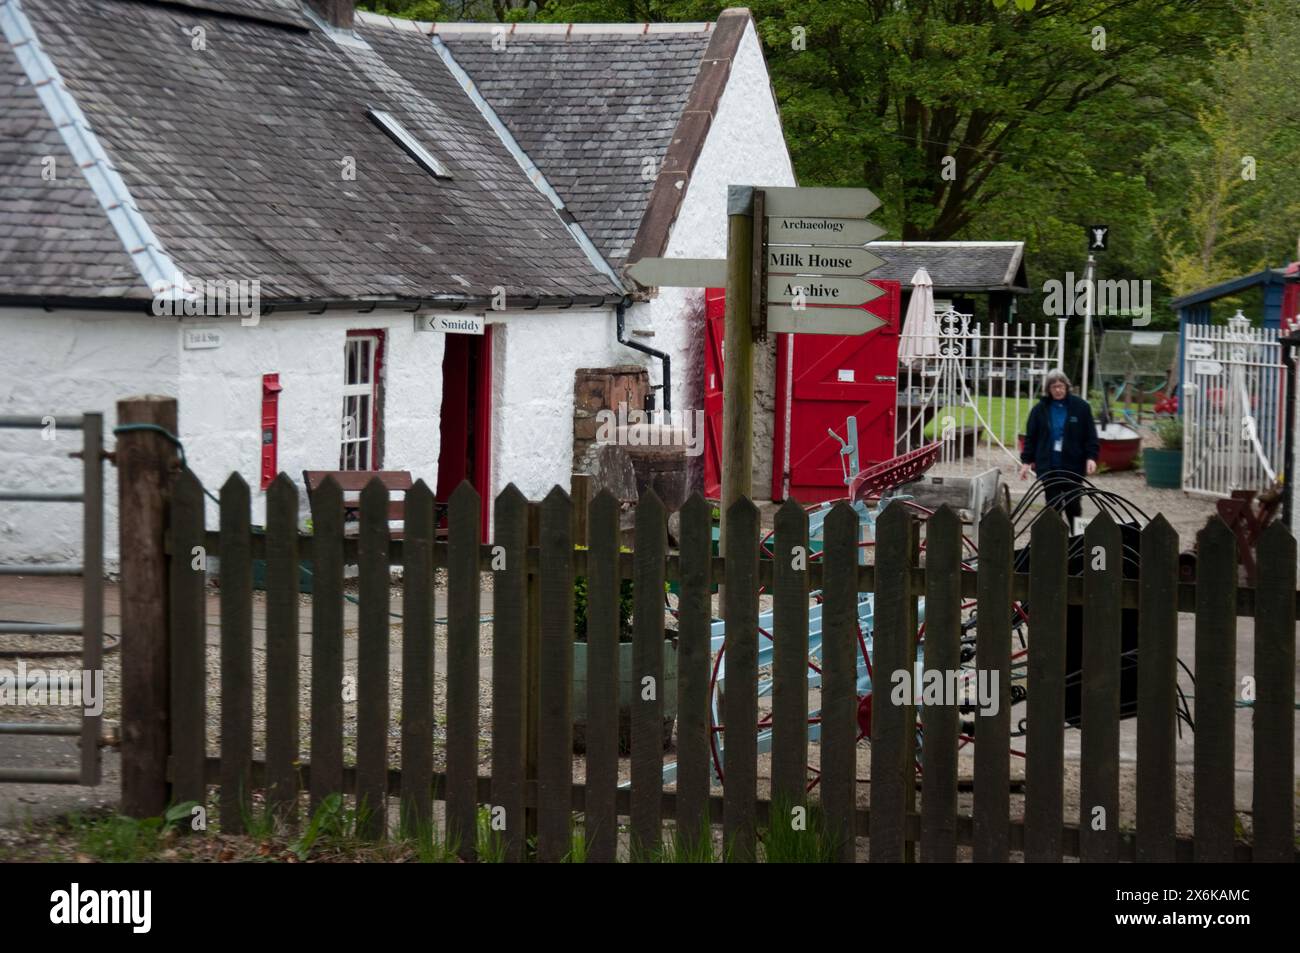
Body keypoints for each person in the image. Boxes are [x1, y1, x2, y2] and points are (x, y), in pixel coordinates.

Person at [1018, 369, 1099, 526]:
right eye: (1054, 386)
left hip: (1073, 466)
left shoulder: (1081, 407)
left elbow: (1090, 435)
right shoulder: (1039, 410)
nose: (1058, 390)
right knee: (1053, 507)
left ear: (1067, 387)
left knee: (1073, 506)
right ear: (1048, 389)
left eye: (1061, 386)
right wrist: (1026, 462)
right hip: (1049, 467)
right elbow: (1031, 438)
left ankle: (1077, 541)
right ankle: (1056, 543)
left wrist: (1091, 457)